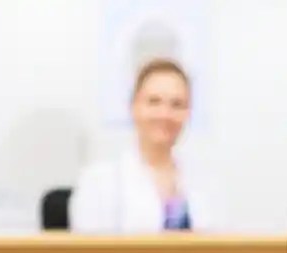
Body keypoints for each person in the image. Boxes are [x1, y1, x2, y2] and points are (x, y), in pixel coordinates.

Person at [69, 58, 212, 232]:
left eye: (177, 104)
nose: (165, 114)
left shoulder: (205, 182)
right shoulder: (99, 182)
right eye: (154, 101)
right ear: (133, 107)